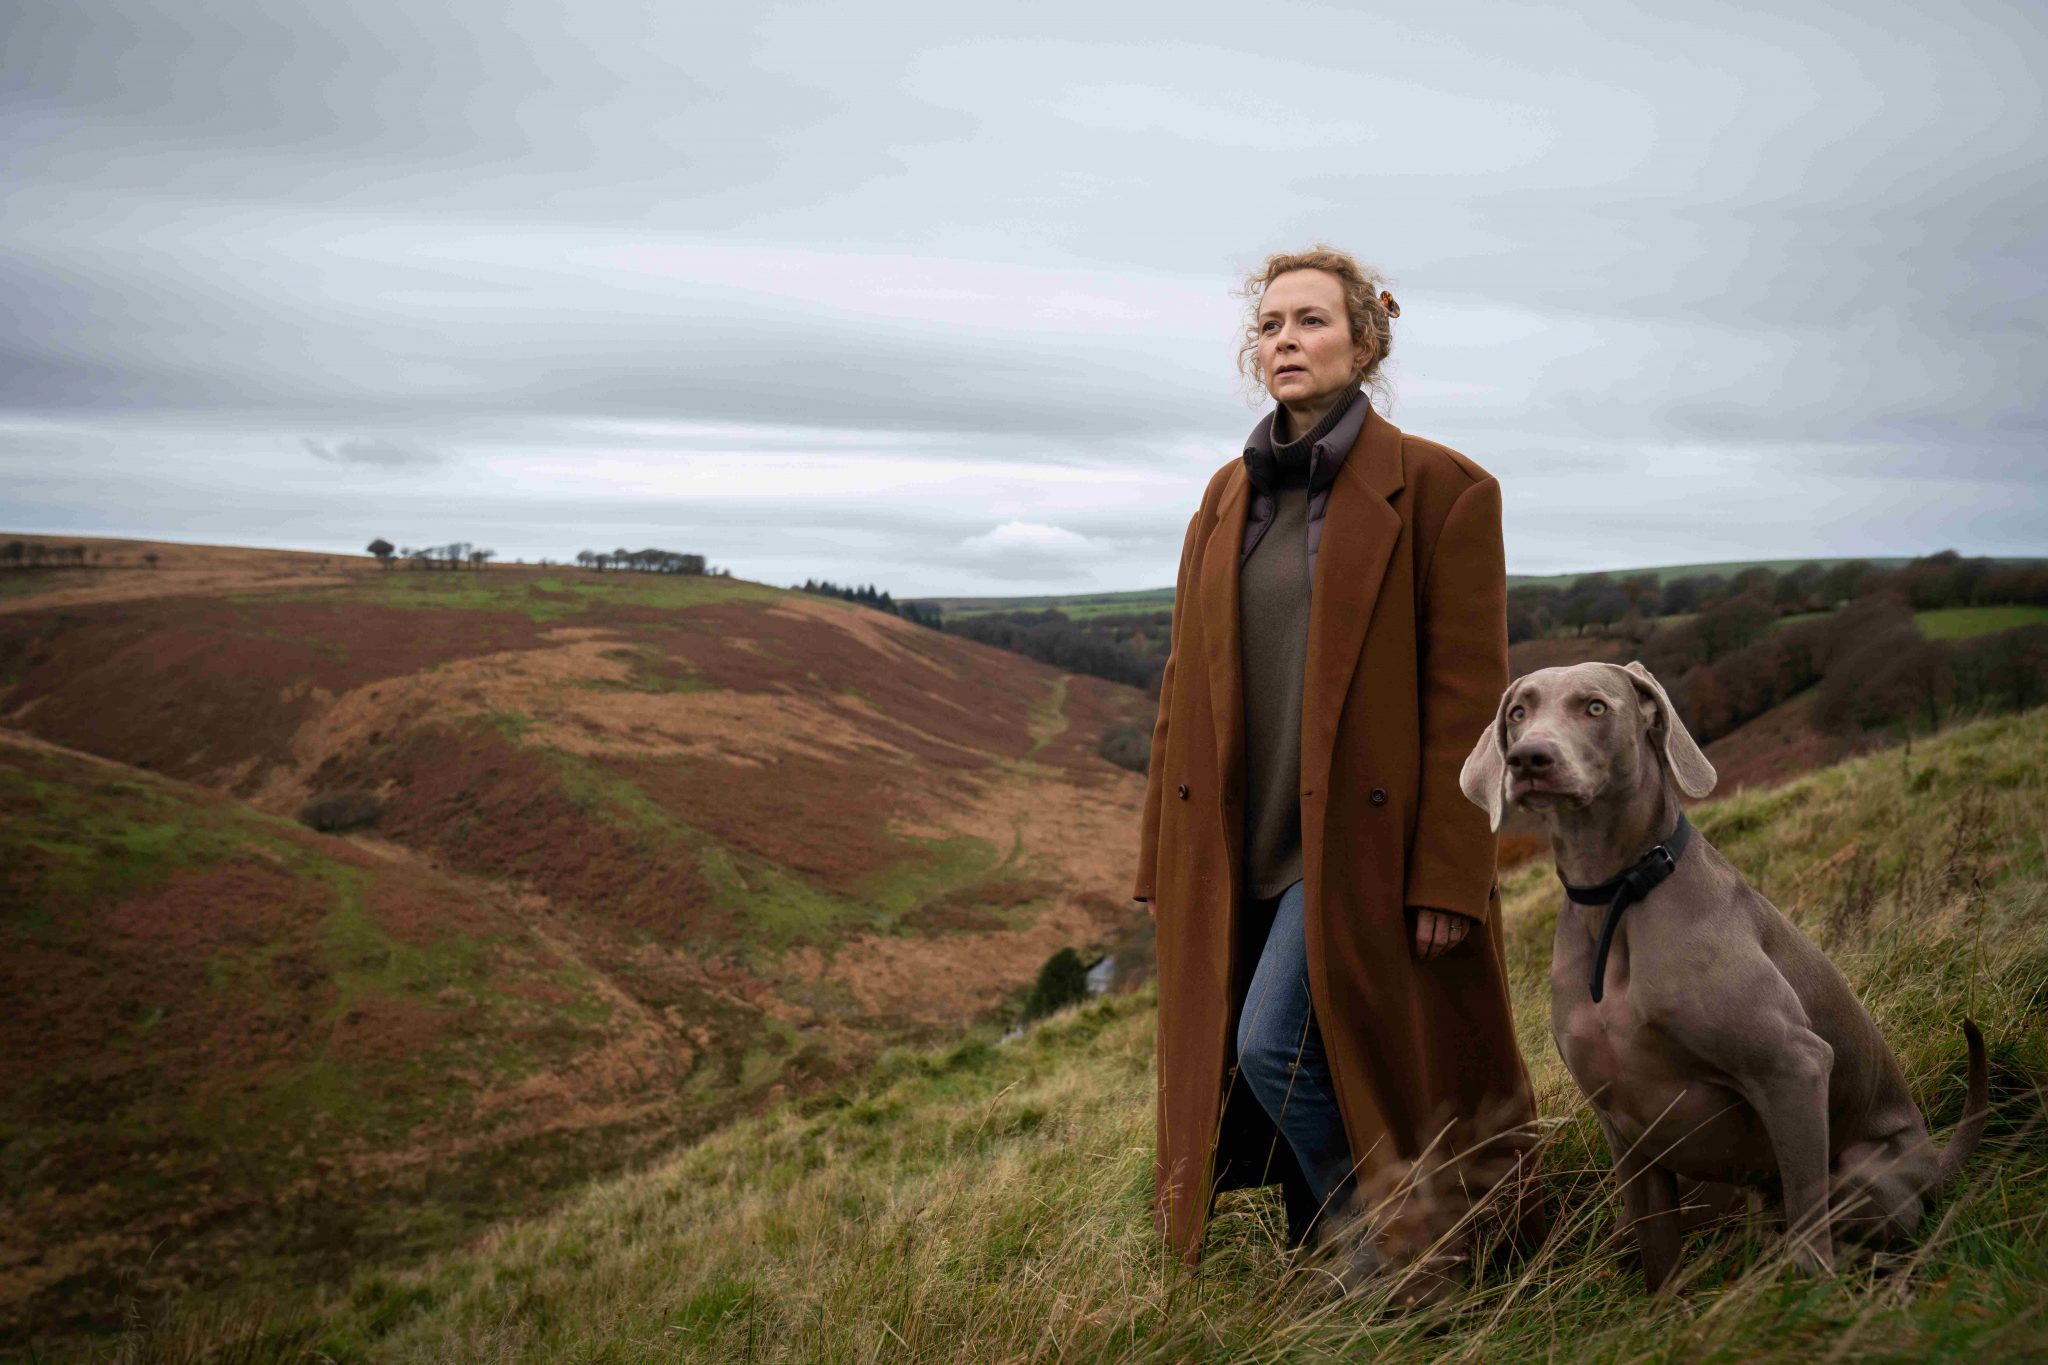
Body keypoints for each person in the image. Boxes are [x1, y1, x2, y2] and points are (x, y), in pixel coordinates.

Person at [1133, 245, 1542, 1299]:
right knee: (1239, 1053)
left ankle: (1400, 1250)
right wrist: (1160, 859)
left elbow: (1468, 703)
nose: (1284, 341)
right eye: (1268, 325)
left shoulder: (1445, 490)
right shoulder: (1225, 499)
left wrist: (1451, 875)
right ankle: (1351, 1251)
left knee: (1277, 1045)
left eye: (1310, 322)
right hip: (1236, 840)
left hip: (1357, 843)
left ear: (1364, 343)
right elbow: (1183, 691)